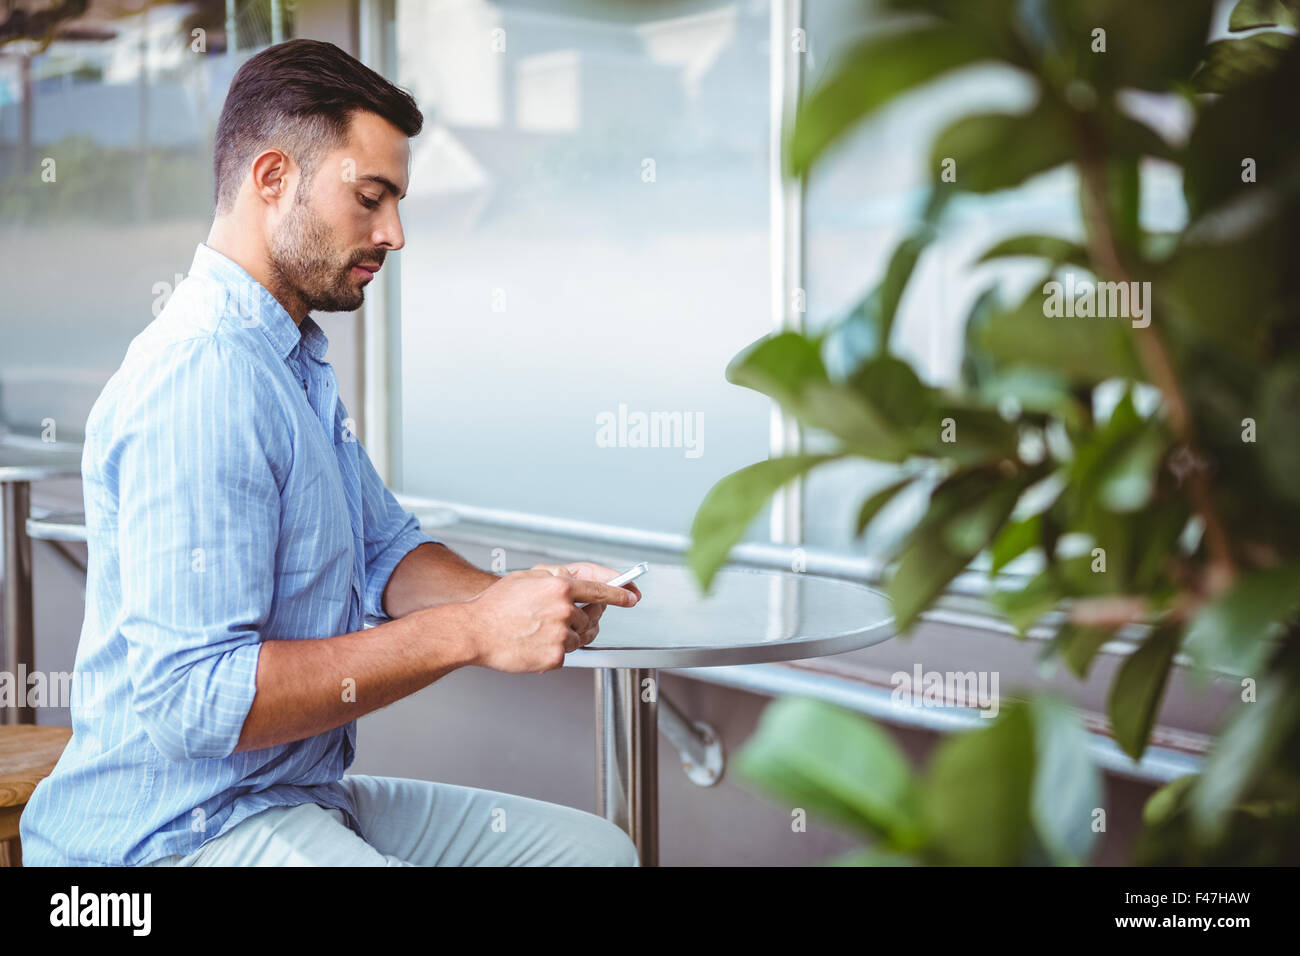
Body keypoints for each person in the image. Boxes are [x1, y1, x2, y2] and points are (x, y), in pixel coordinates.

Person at [20, 39, 642, 867]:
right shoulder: (203, 377)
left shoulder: (291, 356)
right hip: (172, 834)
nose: (395, 233)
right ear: (272, 179)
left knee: (590, 854)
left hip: (290, 794)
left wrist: (523, 596)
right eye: (371, 198)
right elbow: (194, 702)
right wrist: (470, 632)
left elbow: (385, 550)